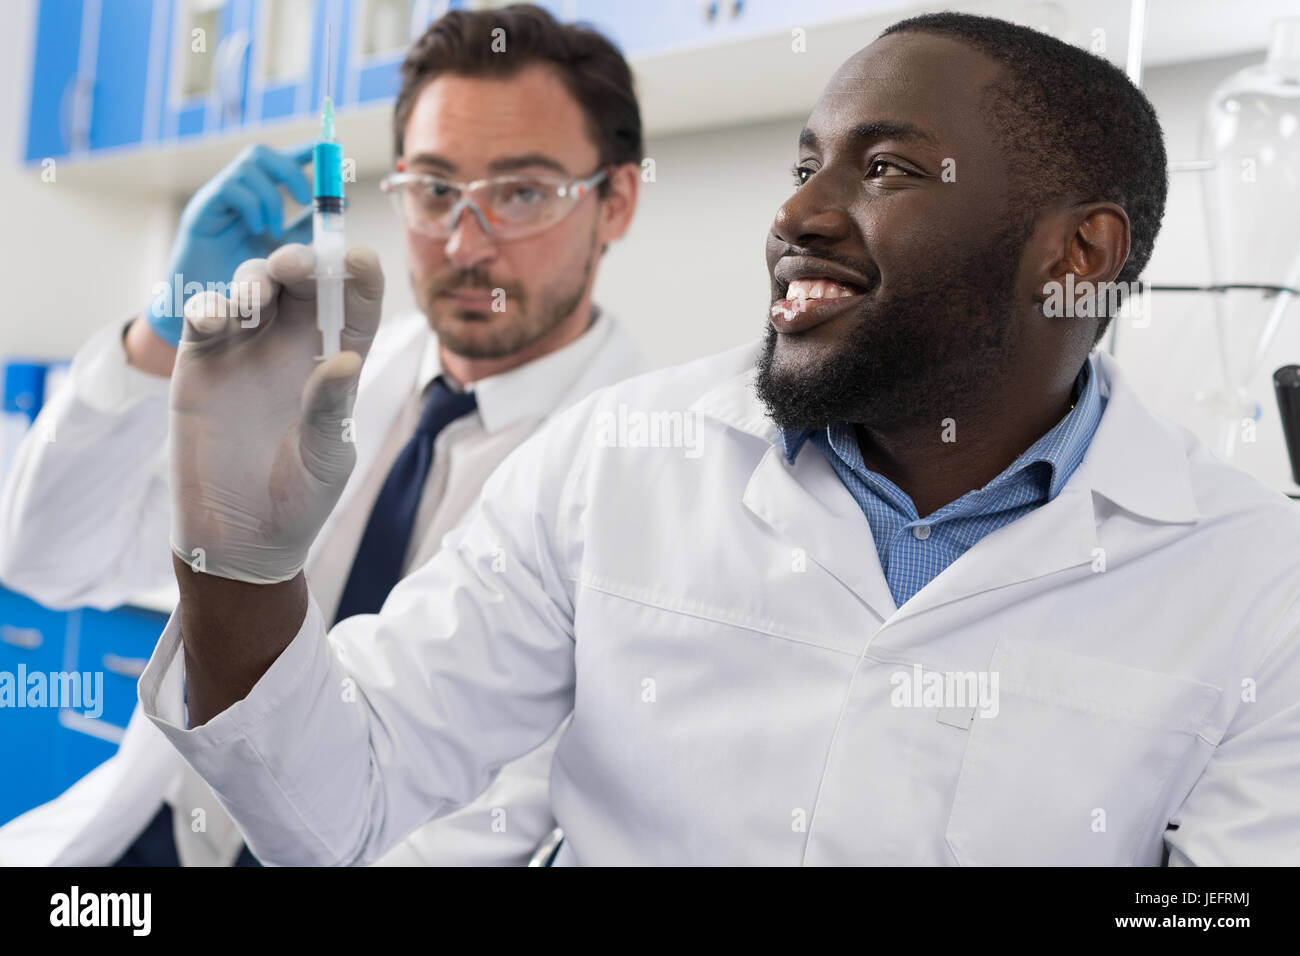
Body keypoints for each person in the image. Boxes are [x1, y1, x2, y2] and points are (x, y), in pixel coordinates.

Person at [141, 12, 1300, 865]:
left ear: (1077, 256)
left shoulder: (1258, 582)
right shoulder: (617, 460)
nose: (796, 214)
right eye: (805, 164)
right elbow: (343, 799)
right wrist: (237, 569)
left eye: (883, 167)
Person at [0, 5, 645, 866]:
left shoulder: (639, 476)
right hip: (156, 836)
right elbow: (45, 558)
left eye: (522, 193)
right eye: (434, 189)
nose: (464, 241)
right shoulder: (323, 366)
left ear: (617, 202)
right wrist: (161, 326)